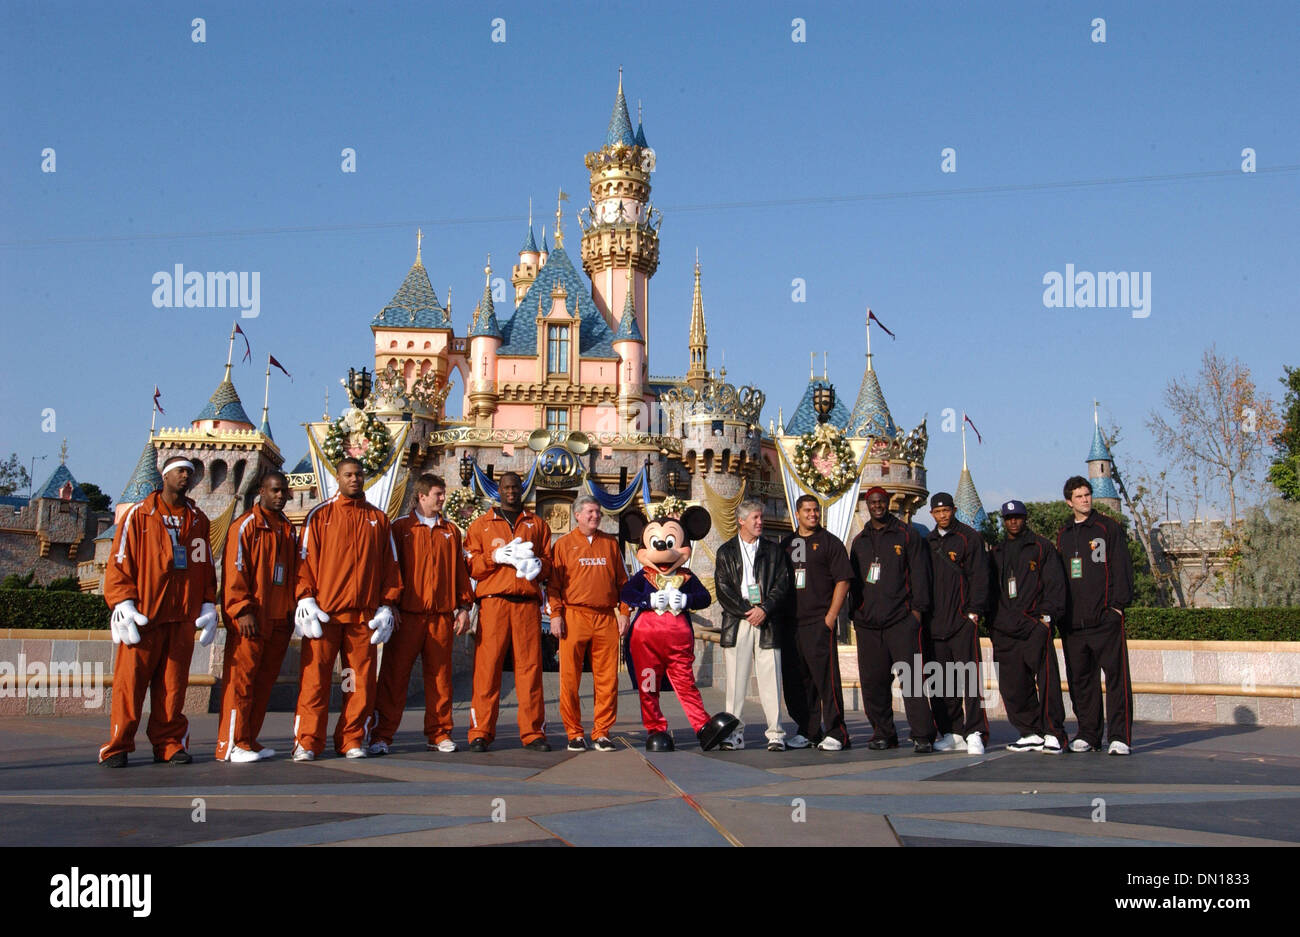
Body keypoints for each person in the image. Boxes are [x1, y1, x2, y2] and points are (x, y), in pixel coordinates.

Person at [99, 455, 218, 767]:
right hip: (145, 616)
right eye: (180, 471)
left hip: (181, 617)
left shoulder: (198, 519)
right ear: (164, 476)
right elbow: (119, 560)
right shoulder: (139, 515)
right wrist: (123, 602)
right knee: (130, 685)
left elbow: (204, 565)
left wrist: (207, 601)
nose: (186, 477)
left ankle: (169, 744)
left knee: (173, 687)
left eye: (190, 473)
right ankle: (118, 746)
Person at [292, 457, 403, 761]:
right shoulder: (320, 515)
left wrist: (386, 604)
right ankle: (308, 741)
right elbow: (304, 561)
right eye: (348, 475)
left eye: (358, 474)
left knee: (356, 683)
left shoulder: (378, 520)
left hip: (362, 619)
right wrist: (305, 599)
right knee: (315, 681)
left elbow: (390, 567)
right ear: (338, 478)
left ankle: (352, 739)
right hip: (325, 616)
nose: (354, 479)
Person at [370, 473, 474, 755]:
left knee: (440, 678)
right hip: (407, 617)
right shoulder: (400, 528)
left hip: (441, 616)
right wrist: (389, 604)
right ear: (422, 496)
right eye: (438, 494)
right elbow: (390, 568)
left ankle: (439, 734)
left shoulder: (450, 531)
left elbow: (460, 572)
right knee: (394, 678)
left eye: (443, 494)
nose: (443, 499)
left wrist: (464, 607)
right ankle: (382, 735)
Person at [463, 471, 552, 752]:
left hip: (526, 603)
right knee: (487, 668)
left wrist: (539, 565)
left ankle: (532, 732)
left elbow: (550, 563)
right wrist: (494, 557)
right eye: (506, 487)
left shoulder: (537, 524)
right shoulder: (481, 525)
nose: (511, 491)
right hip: (493, 602)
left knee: (530, 669)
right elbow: (471, 565)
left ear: (522, 489)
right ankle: (480, 731)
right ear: (498, 489)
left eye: (516, 487)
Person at [215, 471, 297, 763]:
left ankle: (248, 739)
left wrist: (291, 610)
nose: (279, 496)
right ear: (261, 490)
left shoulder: (287, 528)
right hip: (252, 619)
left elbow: (291, 575)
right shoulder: (245, 526)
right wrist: (241, 609)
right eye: (274, 490)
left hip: (278, 619)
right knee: (241, 682)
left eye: (283, 491)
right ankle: (231, 743)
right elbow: (235, 571)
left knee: (263, 683)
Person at [849, 486, 936, 753]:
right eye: (873, 502)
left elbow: (920, 575)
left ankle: (922, 734)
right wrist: (857, 614)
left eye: (881, 502)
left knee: (911, 680)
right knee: (874, 683)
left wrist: (916, 613)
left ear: (887, 503)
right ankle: (883, 732)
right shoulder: (860, 541)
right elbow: (854, 581)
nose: (877, 506)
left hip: (901, 620)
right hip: (868, 625)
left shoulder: (906, 535)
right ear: (867, 504)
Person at [1055, 476, 1135, 756]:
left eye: (1087, 494)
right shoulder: (1063, 534)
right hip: (1074, 625)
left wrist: (1116, 607)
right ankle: (1088, 733)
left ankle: (1119, 736)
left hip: (1105, 620)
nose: (1085, 500)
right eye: (1078, 496)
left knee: (1116, 678)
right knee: (1081, 680)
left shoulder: (1108, 528)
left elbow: (1122, 567)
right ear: (1069, 501)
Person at [548, 494, 628, 752]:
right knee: (569, 678)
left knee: (607, 679)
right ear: (577, 515)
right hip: (574, 615)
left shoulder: (610, 544)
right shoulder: (562, 545)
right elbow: (554, 585)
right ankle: (574, 732)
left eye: (598, 512)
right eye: (590, 512)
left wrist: (624, 612)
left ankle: (602, 732)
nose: (595, 516)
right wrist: (556, 615)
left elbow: (623, 584)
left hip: (605, 616)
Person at [989, 500, 1068, 753]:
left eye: (1018, 517)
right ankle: (1029, 731)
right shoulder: (997, 553)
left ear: (1025, 519)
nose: (1014, 522)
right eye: (1009, 518)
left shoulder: (1041, 547)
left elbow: (1055, 585)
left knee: (1046, 681)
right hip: (1005, 629)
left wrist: (1045, 619)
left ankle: (1053, 731)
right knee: (1012, 684)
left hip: (1034, 625)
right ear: (1004, 520)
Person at [714, 499, 792, 751]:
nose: (760, 522)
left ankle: (776, 733)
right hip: (739, 621)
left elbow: (783, 584)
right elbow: (723, 589)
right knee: (736, 682)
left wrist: (765, 609)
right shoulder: (725, 552)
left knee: (771, 678)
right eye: (755, 518)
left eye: (761, 517)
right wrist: (748, 611)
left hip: (767, 621)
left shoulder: (774, 550)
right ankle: (734, 734)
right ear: (741, 520)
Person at [779, 494, 853, 751]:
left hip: (818, 621)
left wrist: (831, 616)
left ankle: (836, 731)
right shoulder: (787, 543)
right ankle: (808, 730)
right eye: (807, 510)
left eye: (815, 510)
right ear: (797, 513)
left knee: (826, 680)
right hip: (792, 624)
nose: (812, 514)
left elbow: (843, 581)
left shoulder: (830, 543)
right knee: (799, 680)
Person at [924, 491, 991, 755]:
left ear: (953, 510)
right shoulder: (927, 541)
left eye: (946, 511)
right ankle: (952, 731)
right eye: (937, 512)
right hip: (935, 623)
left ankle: (975, 731)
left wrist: (974, 613)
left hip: (962, 621)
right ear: (932, 514)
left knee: (969, 678)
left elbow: (980, 577)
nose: (942, 515)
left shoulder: (969, 538)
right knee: (941, 680)